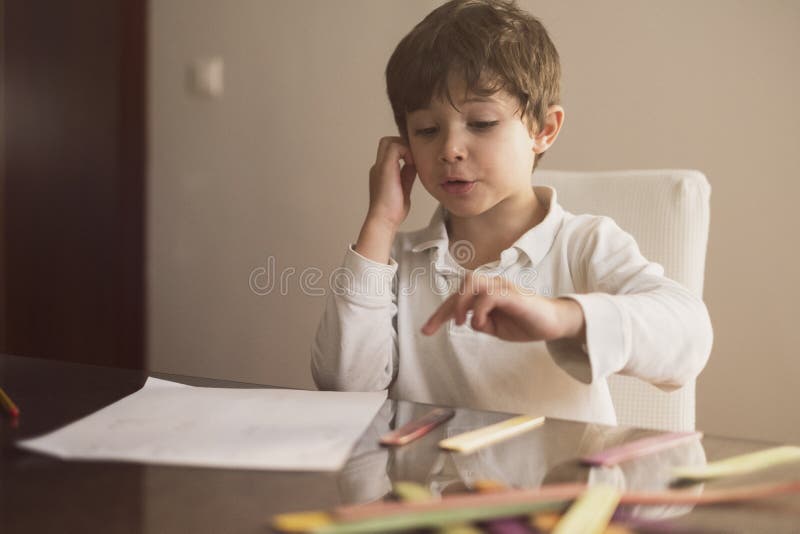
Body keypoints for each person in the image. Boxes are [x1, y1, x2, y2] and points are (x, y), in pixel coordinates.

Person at [311, 0, 712, 425]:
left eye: (481, 123)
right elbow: (344, 386)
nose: (449, 149)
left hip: (557, 488)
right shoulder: (401, 262)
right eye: (428, 130)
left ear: (544, 130)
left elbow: (689, 339)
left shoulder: (584, 244)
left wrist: (563, 316)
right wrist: (380, 223)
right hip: (424, 489)